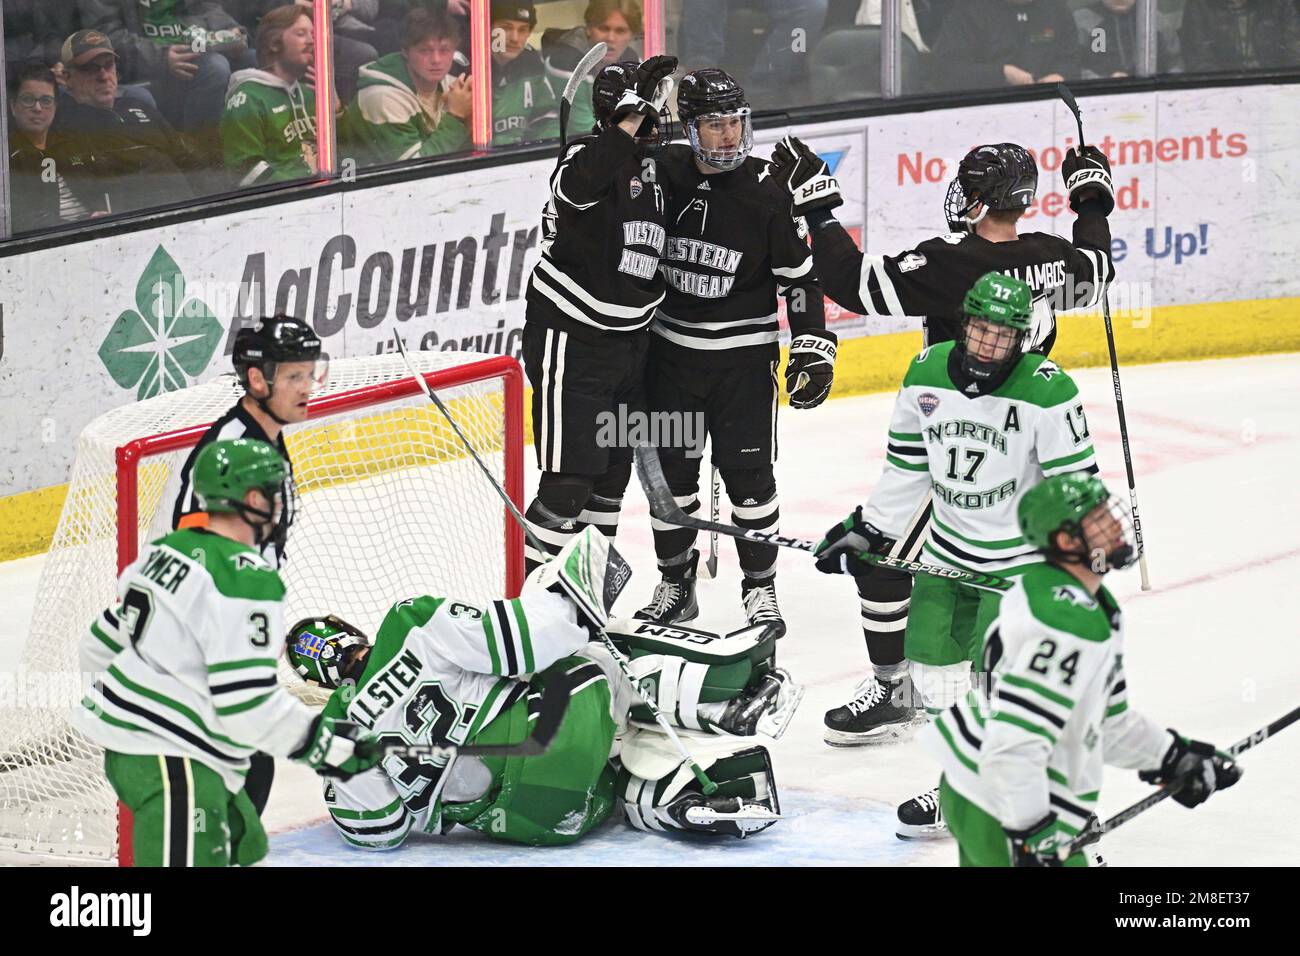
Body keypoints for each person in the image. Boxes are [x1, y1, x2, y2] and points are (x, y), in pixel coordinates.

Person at [770, 135, 1116, 764]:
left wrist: (817, 203)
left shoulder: (950, 266)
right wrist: (1091, 197)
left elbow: (849, 283)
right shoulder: (1051, 257)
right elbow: (1096, 268)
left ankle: (908, 697)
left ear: (980, 198)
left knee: (882, 557)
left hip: (964, 438)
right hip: (1018, 445)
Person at [813, 271, 1103, 840]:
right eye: (978, 328)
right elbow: (908, 467)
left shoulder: (1048, 391)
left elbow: (1077, 489)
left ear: (1023, 338)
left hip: (1017, 568)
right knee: (933, 675)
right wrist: (870, 531)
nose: (987, 344)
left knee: (1004, 687)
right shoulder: (926, 373)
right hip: (947, 557)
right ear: (963, 322)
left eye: (1002, 335)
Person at [286, 527, 795, 848]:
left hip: (533, 824)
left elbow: (379, 831)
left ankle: (665, 800)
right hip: (555, 734)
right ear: (347, 627)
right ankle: (722, 701)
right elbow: (532, 638)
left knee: (607, 769)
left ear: (316, 682)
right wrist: (569, 581)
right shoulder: (409, 625)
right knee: (593, 655)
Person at [73, 438, 382, 867]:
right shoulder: (247, 581)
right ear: (253, 499)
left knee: (245, 839)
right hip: (172, 760)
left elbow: (94, 648)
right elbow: (248, 705)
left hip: (129, 753)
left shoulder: (165, 553)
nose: (280, 504)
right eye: (274, 492)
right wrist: (327, 747)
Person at [923, 472, 1242, 866]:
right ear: (1067, 541)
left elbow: (1104, 724)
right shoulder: (1066, 624)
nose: (1113, 522)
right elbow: (1017, 740)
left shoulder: (1067, 594)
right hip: (1004, 803)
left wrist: (1171, 756)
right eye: (1098, 518)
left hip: (983, 787)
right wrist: (1030, 831)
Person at [634, 68, 831, 636]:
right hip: (670, 357)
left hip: (743, 366)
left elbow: (800, 278)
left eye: (735, 123)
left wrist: (814, 347)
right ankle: (676, 583)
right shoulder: (660, 172)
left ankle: (760, 590)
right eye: (714, 125)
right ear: (688, 128)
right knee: (671, 482)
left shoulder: (767, 191)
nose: (727, 136)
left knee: (750, 482)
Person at [519, 55, 676, 573]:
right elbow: (578, 187)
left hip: (629, 347)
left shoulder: (654, 170)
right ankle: (521, 603)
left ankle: (581, 608)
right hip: (574, 341)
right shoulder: (583, 158)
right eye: (648, 116)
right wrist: (629, 121)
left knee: (608, 484)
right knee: (568, 485)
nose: (657, 124)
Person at [165, 314, 326, 814]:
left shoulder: (265, 436)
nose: (307, 388)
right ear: (258, 380)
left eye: (310, 373)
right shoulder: (235, 451)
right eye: (294, 377)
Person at [53, 28, 205, 213]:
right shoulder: (68, 130)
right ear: (67, 77)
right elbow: (92, 197)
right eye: (90, 69)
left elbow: (193, 162)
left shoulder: (139, 106)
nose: (103, 76)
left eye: (108, 65)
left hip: (194, 216)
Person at [76, 0, 257, 136]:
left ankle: (252, 153)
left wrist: (229, 32)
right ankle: (201, 156)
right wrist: (161, 58)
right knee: (214, 68)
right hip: (143, 67)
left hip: (196, 47)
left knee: (252, 59)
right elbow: (103, 36)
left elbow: (205, 7)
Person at [342, 6, 473, 166]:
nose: (436, 60)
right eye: (425, 51)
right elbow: (415, 169)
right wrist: (456, 116)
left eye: (444, 50)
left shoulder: (450, 85)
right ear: (405, 52)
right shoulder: (381, 98)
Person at [221, 4, 321, 187]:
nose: (311, 41)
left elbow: (348, 152)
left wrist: (337, 110)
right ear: (274, 44)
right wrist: (306, 189)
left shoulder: (310, 93)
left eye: (312, 34)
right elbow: (246, 171)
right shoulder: (247, 98)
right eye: (301, 33)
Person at [7, 63, 108, 233]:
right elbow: (26, 222)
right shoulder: (7, 155)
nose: (38, 108)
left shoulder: (73, 142)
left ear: (55, 107)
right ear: (13, 107)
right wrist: (84, 224)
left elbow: (102, 189)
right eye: (27, 100)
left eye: (46, 101)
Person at [541, 0, 643, 140]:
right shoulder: (566, 62)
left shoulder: (633, 60)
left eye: (620, 31)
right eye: (603, 28)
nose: (610, 38)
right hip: (554, 144)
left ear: (631, 35)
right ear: (588, 28)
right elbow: (586, 130)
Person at [928, 0, 1081, 92]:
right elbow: (945, 72)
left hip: (1050, 105)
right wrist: (1001, 73)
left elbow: (1072, 58)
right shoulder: (968, 11)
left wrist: (1061, 75)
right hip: (986, 106)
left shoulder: (1056, 8)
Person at [489, 0, 559, 146]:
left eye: (522, 30)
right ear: (487, 27)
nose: (515, 38)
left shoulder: (531, 62)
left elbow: (547, 122)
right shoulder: (468, 66)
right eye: (506, 28)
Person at [1179, 0, 1300, 73]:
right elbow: (1199, 64)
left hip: (1273, 91)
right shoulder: (1199, 5)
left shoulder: (1282, 3)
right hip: (1223, 94)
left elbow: (1295, 56)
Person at [1075, 0, 1181, 78]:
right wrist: (1104, 81)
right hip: (1096, 96)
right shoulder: (1082, 21)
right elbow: (1073, 68)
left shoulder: (1155, 21)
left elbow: (1176, 64)